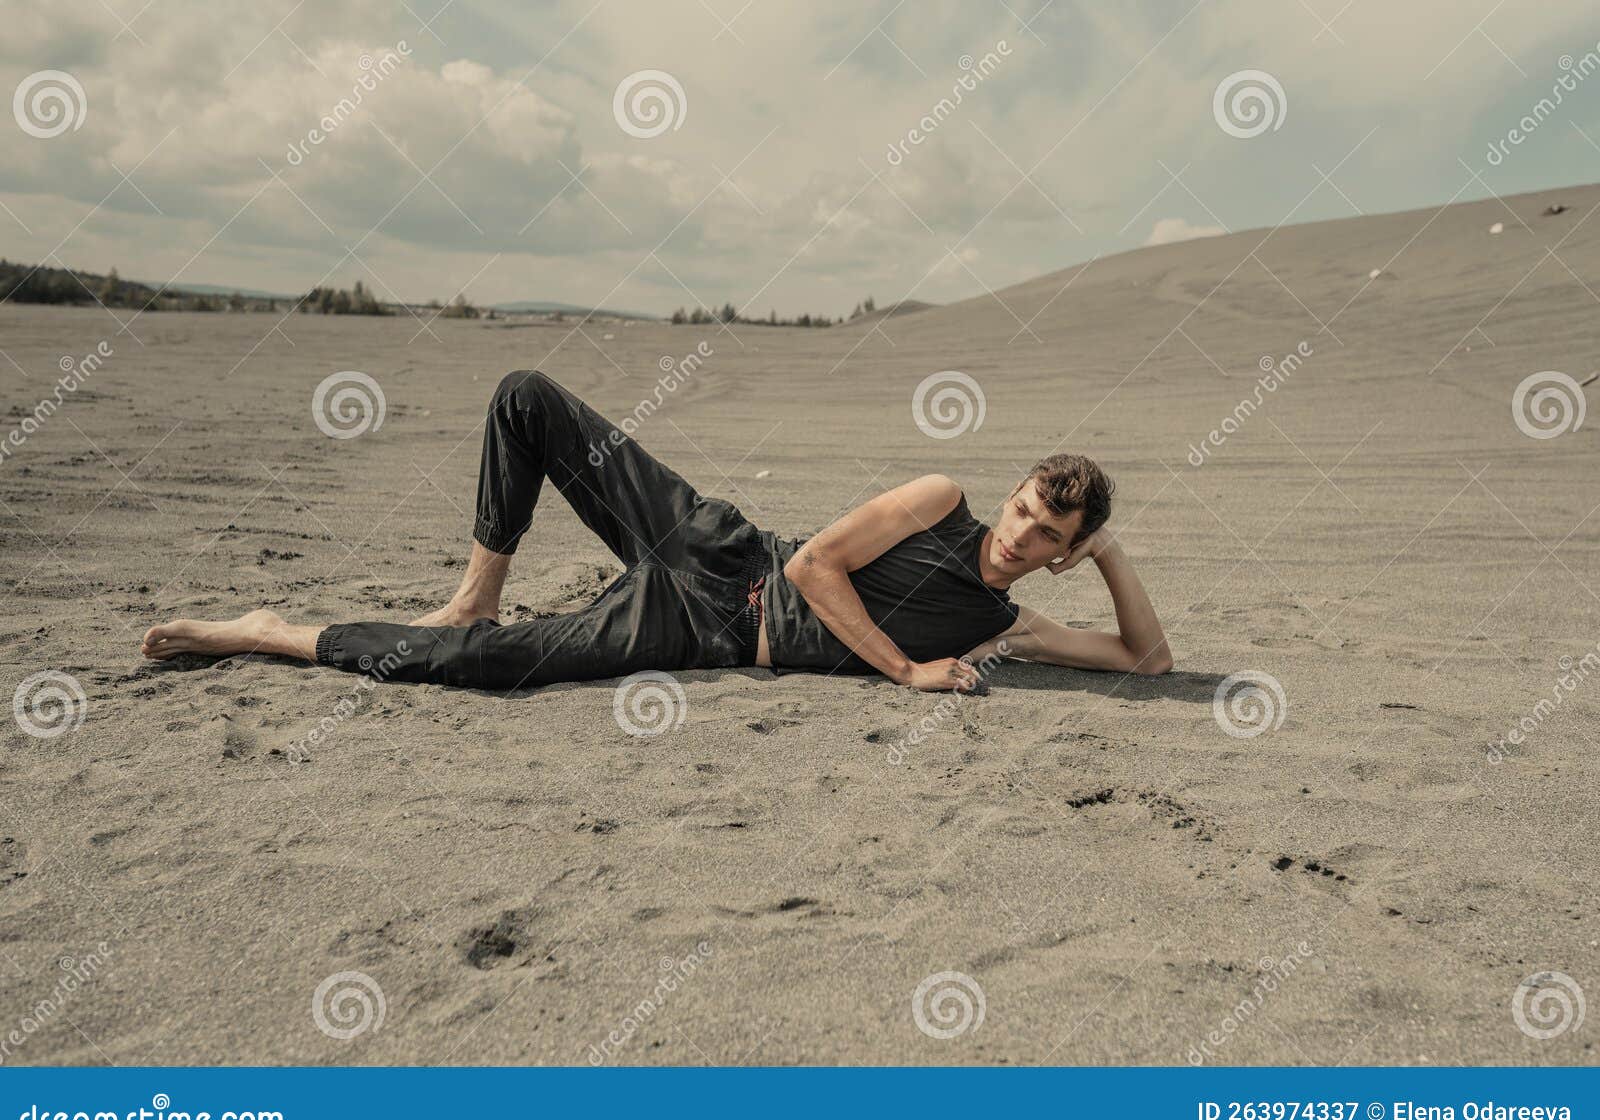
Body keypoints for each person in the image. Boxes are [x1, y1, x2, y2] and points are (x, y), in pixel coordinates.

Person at [141, 371, 1171, 691]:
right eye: (1026, 509)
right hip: (726, 552)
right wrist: (905, 672)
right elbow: (814, 564)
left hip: (706, 633)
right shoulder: (943, 496)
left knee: (489, 669)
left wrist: (1110, 550)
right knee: (528, 400)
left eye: (1048, 536)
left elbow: (1146, 658)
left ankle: (267, 629)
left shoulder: (1001, 628)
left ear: (1063, 552)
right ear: (1011, 494)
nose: (1020, 536)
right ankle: (476, 584)